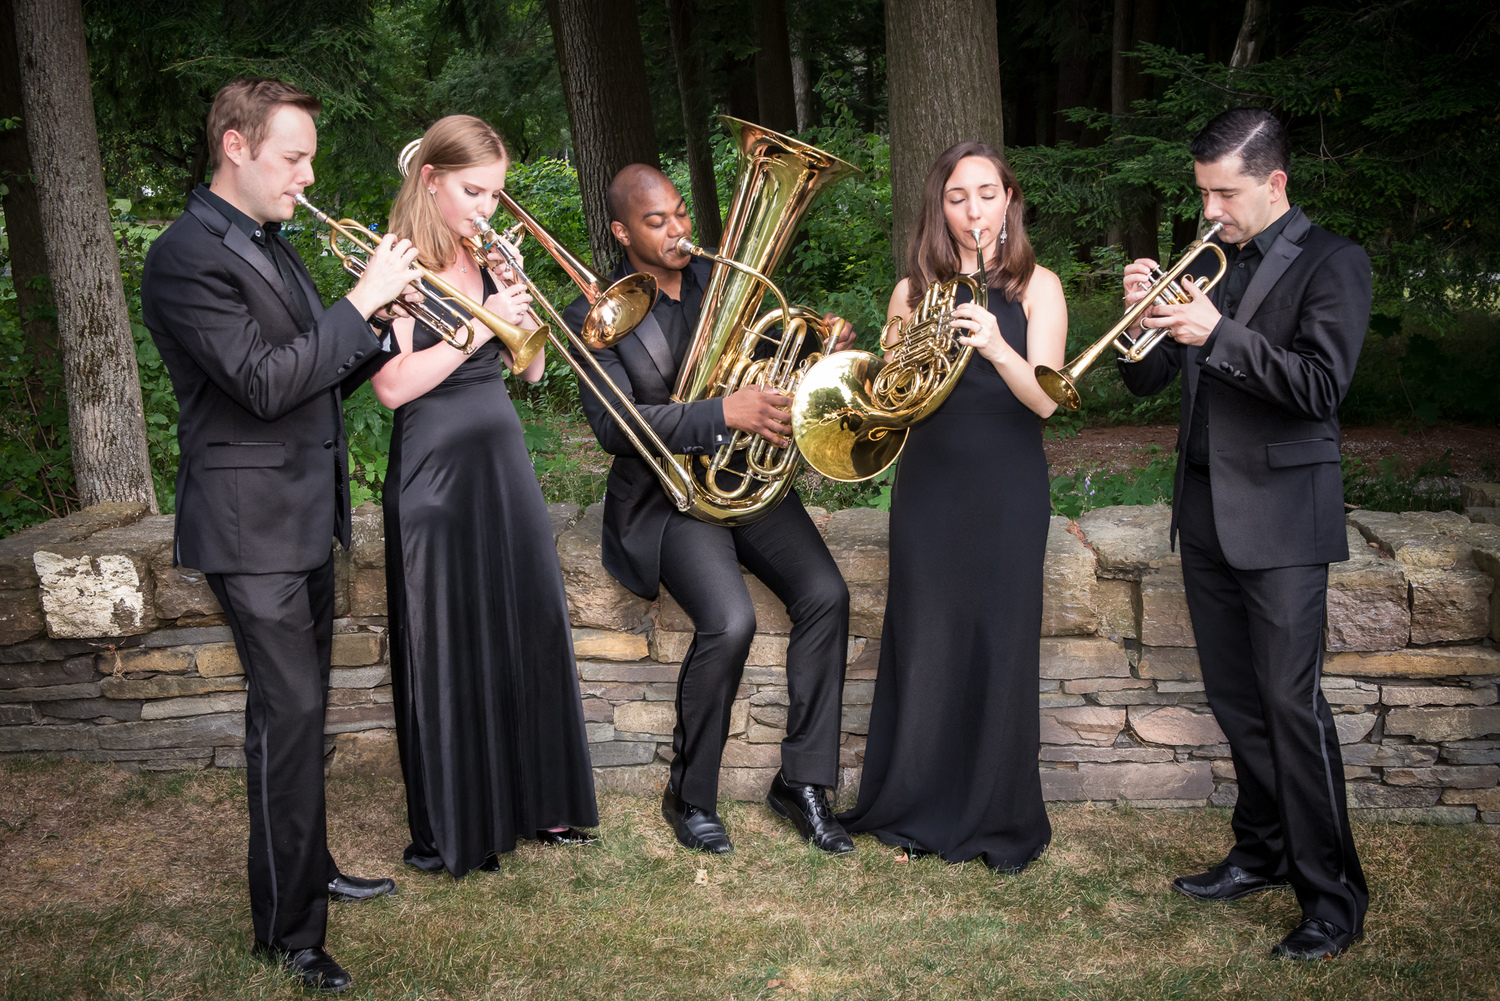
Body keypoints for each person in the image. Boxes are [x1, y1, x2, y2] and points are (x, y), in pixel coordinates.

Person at [141, 77, 417, 993]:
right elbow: (260, 384)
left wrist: (376, 328)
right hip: (247, 529)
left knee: (299, 715)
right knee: (289, 716)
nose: (308, 175)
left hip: (300, 517)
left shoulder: (273, 241)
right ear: (236, 145)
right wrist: (360, 300)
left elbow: (306, 374)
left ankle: (308, 867)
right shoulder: (184, 256)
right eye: (293, 157)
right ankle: (290, 933)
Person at [1119, 108, 1369, 960]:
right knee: (1236, 703)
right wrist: (1141, 322)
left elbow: (1321, 386)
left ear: (1275, 182)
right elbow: (1149, 379)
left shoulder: (1334, 261)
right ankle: (1261, 851)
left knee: (1290, 709)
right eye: (1203, 193)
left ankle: (1332, 900)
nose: (1210, 210)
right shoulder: (1208, 260)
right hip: (1204, 513)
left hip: (1283, 519)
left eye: (1224, 193)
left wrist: (1219, 334)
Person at [561, 164, 857, 856]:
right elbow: (616, 427)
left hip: (740, 482)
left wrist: (821, 348)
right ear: (622, 232)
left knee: (828, 596)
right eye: (656, 221)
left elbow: (772, 364)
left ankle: (803, 782)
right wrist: (723, 412)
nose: (677, 230)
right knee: (730, 621)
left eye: (681, 214)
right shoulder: (593, 313)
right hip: (665, 499)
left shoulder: (723, 284)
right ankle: (690, 795)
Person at [370, 115, 599, 879]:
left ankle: (540, 801)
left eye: (495, 194)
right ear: (431, 179)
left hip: (502, 460)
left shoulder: (484, 254)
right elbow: (392, 386)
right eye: (474, 192)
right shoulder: (397, 264)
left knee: (529, 623)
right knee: (449, 645)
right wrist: (476, 329)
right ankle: (462, 824)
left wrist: (516, 303)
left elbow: (530, 372)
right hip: (434, 472)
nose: (487, 209)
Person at [836, 142, 1065, 872]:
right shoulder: (913, 291)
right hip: (930, 485)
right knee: (926, 639)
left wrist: (996, 346)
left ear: (1009, 199)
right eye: (958, 196)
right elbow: (891, 400)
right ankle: (913, 804)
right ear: (940, 207)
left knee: (1001, 641)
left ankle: (996, 812)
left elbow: (1045, 401)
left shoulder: (1039, 287)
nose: (974, 209)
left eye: (987, 193)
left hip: (1007, 486)